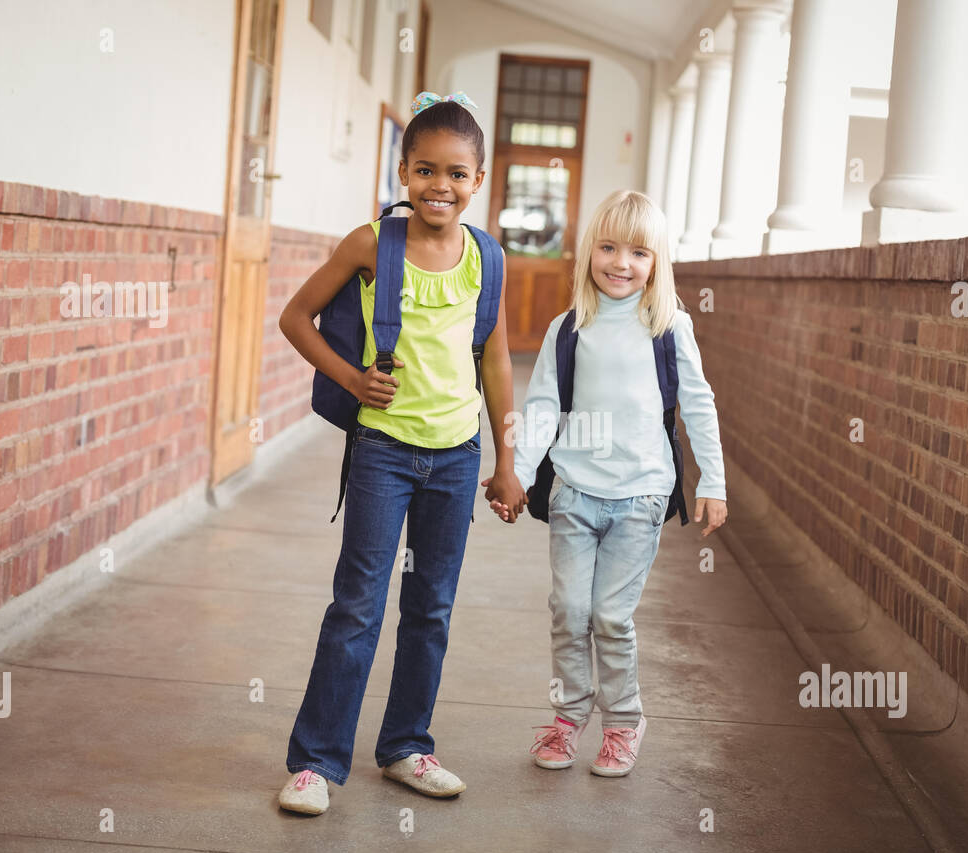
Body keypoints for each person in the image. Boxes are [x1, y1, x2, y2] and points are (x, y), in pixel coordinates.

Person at [275, 91, 526, 815]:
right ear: (403, 172)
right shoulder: (370, 244)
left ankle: (407, 747)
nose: (438, 186)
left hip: (455, 456)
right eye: (424, 170)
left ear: (479, 180)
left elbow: (498, 362)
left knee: (431, 607)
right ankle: (316, 763)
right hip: (384, 450)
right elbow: (297, 317)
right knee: (357, 604)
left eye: (455, 172)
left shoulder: (488, 258)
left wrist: (506, 461)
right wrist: (352, 377)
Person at [496, 189, 727, 777]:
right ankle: (568, 718)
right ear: (588, 252)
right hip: (574, 491)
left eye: (638, 253)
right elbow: (544, 405)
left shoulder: (670, 327)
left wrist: (712, 482)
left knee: (610, 617)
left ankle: (623, 722)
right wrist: (519, 476)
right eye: (607, 247)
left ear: (657, 263)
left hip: (641, 496)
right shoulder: (569, 328)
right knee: (569, 610)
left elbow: (698, 405)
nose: (621, 263)